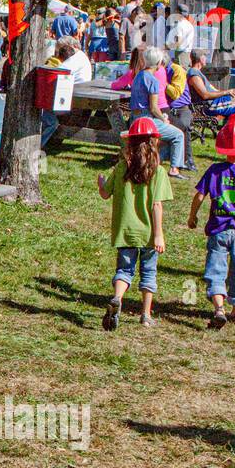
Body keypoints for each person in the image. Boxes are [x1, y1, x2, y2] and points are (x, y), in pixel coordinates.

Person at [188, 114, 235, 329]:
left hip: (218, 230)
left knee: (216, 268)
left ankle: (218, 308)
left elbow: (199, 196)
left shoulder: (214, 171)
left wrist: (193, 215)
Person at [98, 117, 172, 330]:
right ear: (154, 143)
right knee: (149, 273)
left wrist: (101, 183)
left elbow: (105, 194)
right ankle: (146, 315)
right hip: (148, 234)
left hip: (126, 231)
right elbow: (157, 205)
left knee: (124, 270)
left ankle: (117, 298)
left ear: (129, 143)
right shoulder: (158, 172)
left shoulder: (122, 167)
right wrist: (159, 234)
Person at [123, 46, 186, 177]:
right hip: (146, 120)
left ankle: (153, 162)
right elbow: (153, 107)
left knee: (165, 134)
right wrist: (164, 119)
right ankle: (173, 168)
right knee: (178, 135)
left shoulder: (138, 76)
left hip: (134, 119)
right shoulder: (153, 80)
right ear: (158, 63)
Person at [40, 35, 91, 149]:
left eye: (61, 49)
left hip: (69, 99)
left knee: (43, 112)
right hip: (71, 96)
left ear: (70, 47)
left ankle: (37, 144)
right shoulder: (80, 56)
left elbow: (58, 71)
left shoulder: (76, 58)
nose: (59, 53)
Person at [185, 49, 235, 116]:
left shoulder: (197, 73)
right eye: (205, 56)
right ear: (201, 59)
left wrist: (227, 93)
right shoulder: (194, 74)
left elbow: (214, 91)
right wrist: (227, 92)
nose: (206, 58)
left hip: (215, 102)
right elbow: (205, 95)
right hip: (210, 105)